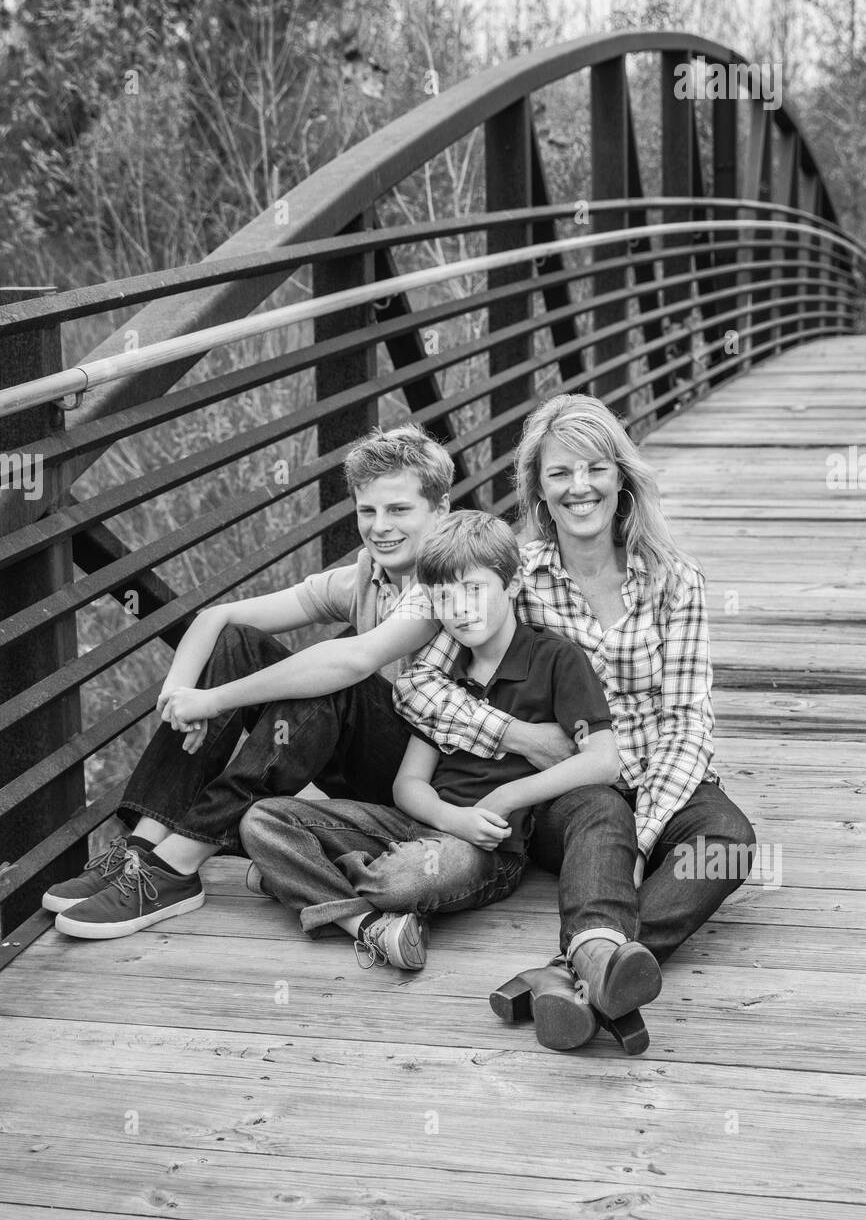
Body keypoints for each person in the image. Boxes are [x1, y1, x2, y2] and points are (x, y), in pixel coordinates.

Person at [392, 394, 757, 1040]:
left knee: (727, 846)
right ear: (538, 488)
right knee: (600, 810)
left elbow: (687, 722)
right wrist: (513, 734)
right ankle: (600, 967)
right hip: (573, 792)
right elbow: (419, 683)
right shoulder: (513, 575)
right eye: (559, 472)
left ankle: (576, 970)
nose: (579, 486)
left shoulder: (677, 581)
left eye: (594, 468)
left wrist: (646, 836)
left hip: (665, 773)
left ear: (621, 477)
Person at [239, 511, 646, 1052]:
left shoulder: (554, 660)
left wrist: (497, 801)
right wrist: (446, 816)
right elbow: (410, 784)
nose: (461, 609)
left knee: (404, 882)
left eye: (475, 590)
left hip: (482, 849)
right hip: (421, 823)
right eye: (445, 598)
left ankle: (295, 877)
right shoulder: (441, 678)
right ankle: (359, 920)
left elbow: (603, 762)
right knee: (264, 817)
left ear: (513, 584)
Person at [46, 423, 452, 939]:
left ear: (439, 511)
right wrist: (178, 698)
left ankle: (180, 863)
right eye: (366, 511)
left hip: (434, 785)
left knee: (332, 680)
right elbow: (219, 619)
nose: (379, 527)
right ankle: (146, 847)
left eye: (399, 510)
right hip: (374, 770)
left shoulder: (452, 577)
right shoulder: (367, 575)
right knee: (239, 642)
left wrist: (214, 700)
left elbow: (352, 662)